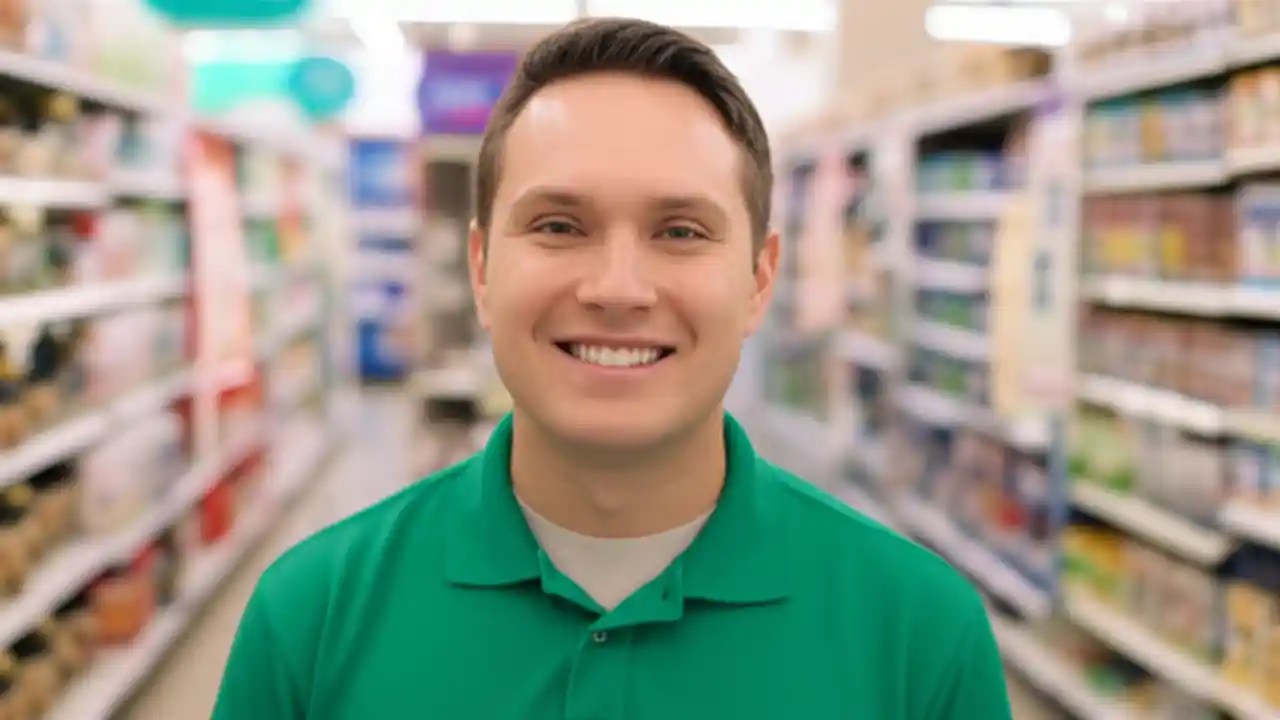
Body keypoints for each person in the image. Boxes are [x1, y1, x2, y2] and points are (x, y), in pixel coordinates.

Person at [213, 17, 1012, 719]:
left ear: (759, 280)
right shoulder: (309, 620)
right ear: (482, 270)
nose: (618, 289)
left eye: (681, 232)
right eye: (559, 226)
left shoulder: (920, 637)